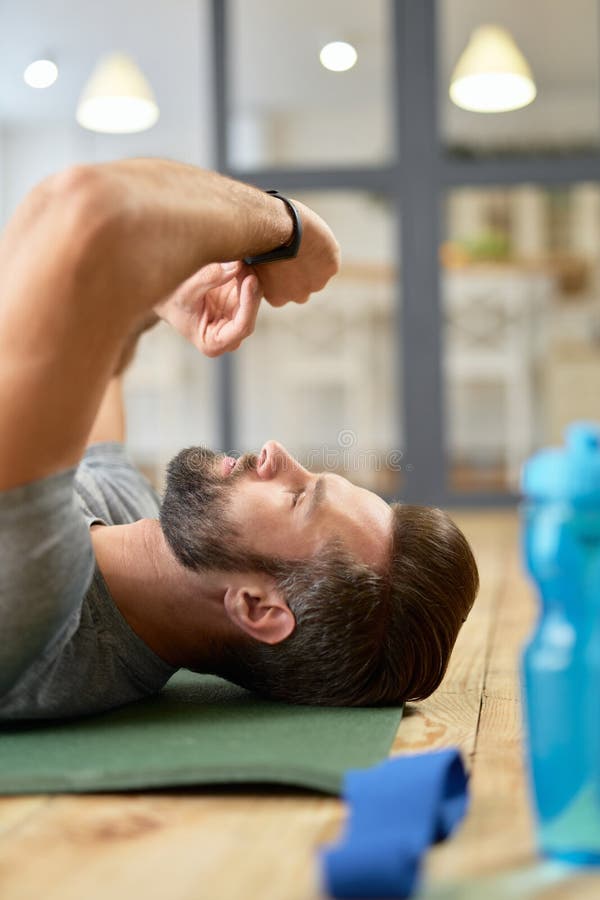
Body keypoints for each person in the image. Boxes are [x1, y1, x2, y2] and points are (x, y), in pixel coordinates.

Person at [0, 159, 479, 720]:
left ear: (255, 606)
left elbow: (82, 207)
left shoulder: (34, 597)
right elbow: (98, 356)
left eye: (299, 498)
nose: (278, 453)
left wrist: (284, 226)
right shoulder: (131, 519)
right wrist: (161, 296)